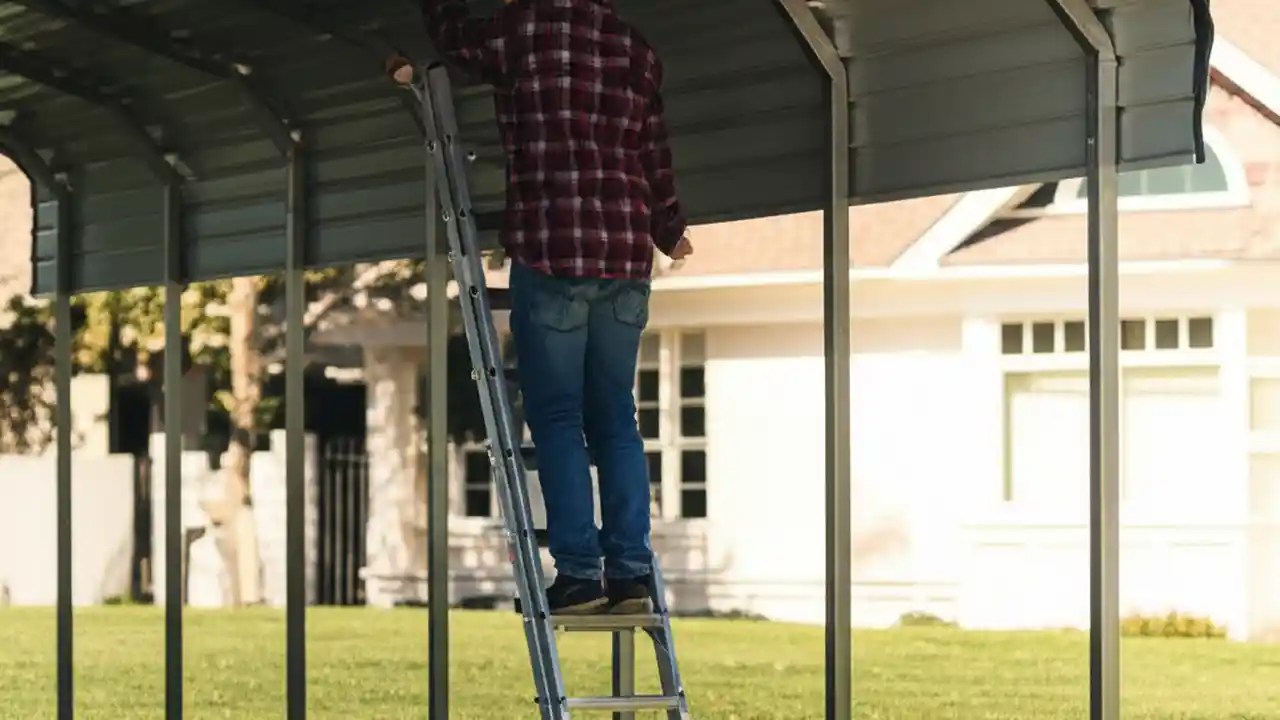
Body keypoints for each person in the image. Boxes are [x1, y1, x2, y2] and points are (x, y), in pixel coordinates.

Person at [389, 0, 692, 615]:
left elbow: (456, 41)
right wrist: (670, 230)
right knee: (616, 419)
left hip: (553, 251)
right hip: (626, 259)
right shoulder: (636, 50)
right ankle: (632, 574)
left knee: (557, 417)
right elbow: (654, 158)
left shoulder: (523, 26)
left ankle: (579, 575)